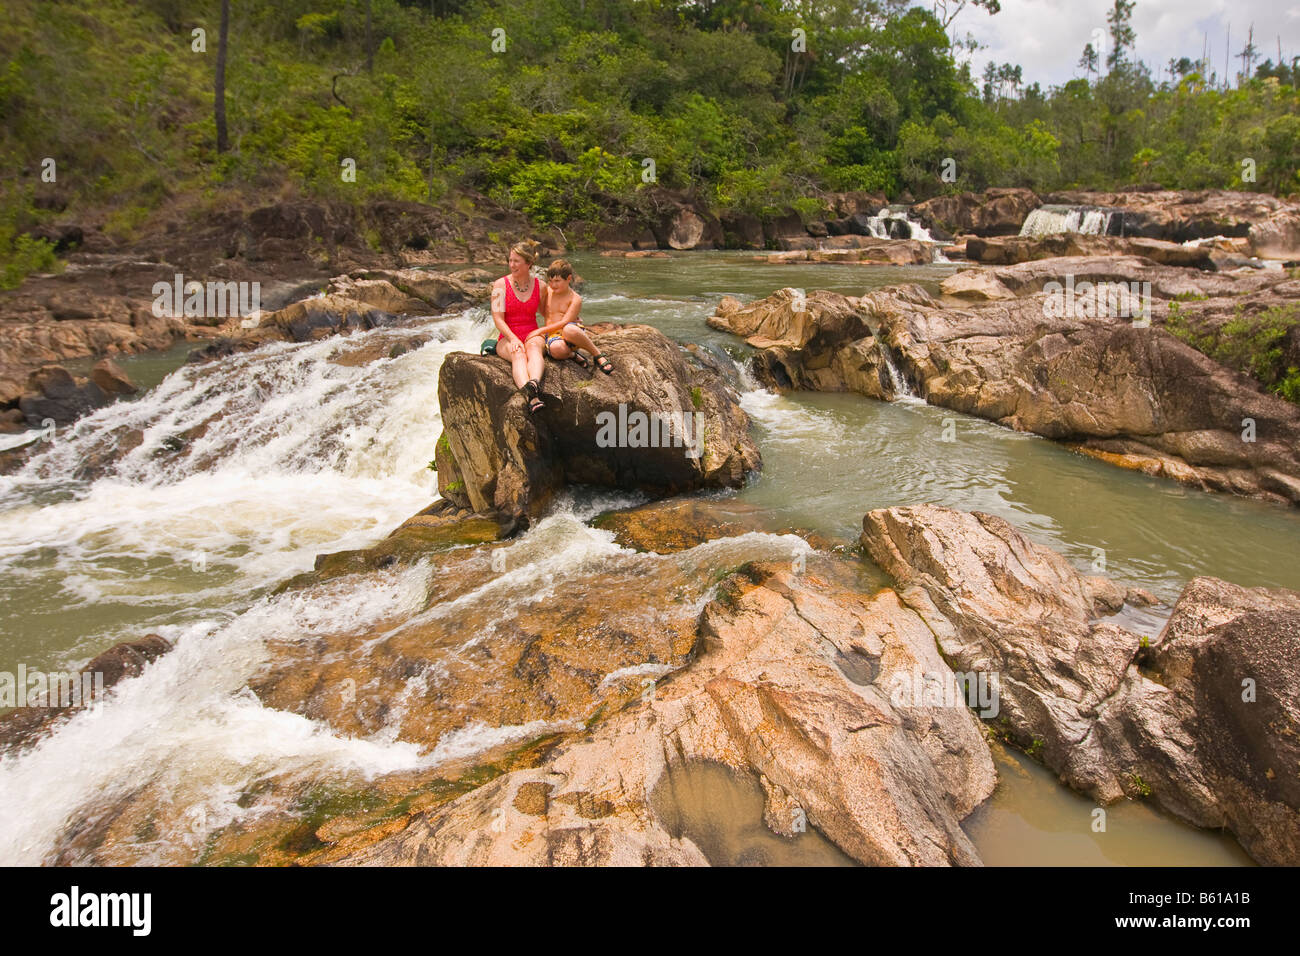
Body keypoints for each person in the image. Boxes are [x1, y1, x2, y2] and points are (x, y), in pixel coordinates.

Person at [526, 259, 613, 375]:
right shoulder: (548, 292)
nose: (553, 285)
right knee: (556, 350)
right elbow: (543, 311)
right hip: (554, 335)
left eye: (557, 281)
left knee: (569, 329)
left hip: (571, 333)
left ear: (568, 279)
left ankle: (597, 354)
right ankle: (572, 355)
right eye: (550, 281)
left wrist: (539, 331)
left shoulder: (575, 298)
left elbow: (565, 322)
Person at [490, 242, 549, 413]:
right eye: (510, 260)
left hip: (532, 332)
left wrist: (570, 318)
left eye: (517, 261)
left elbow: (547, 313)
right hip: (507, 336)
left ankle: (534, 384)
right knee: (518, 352)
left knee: (533, 349)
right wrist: (513, 338)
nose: (512, 265)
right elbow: (498, 319)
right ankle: (532, 397)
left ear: (529, 263)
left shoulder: (541, 286)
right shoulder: (500, 286)